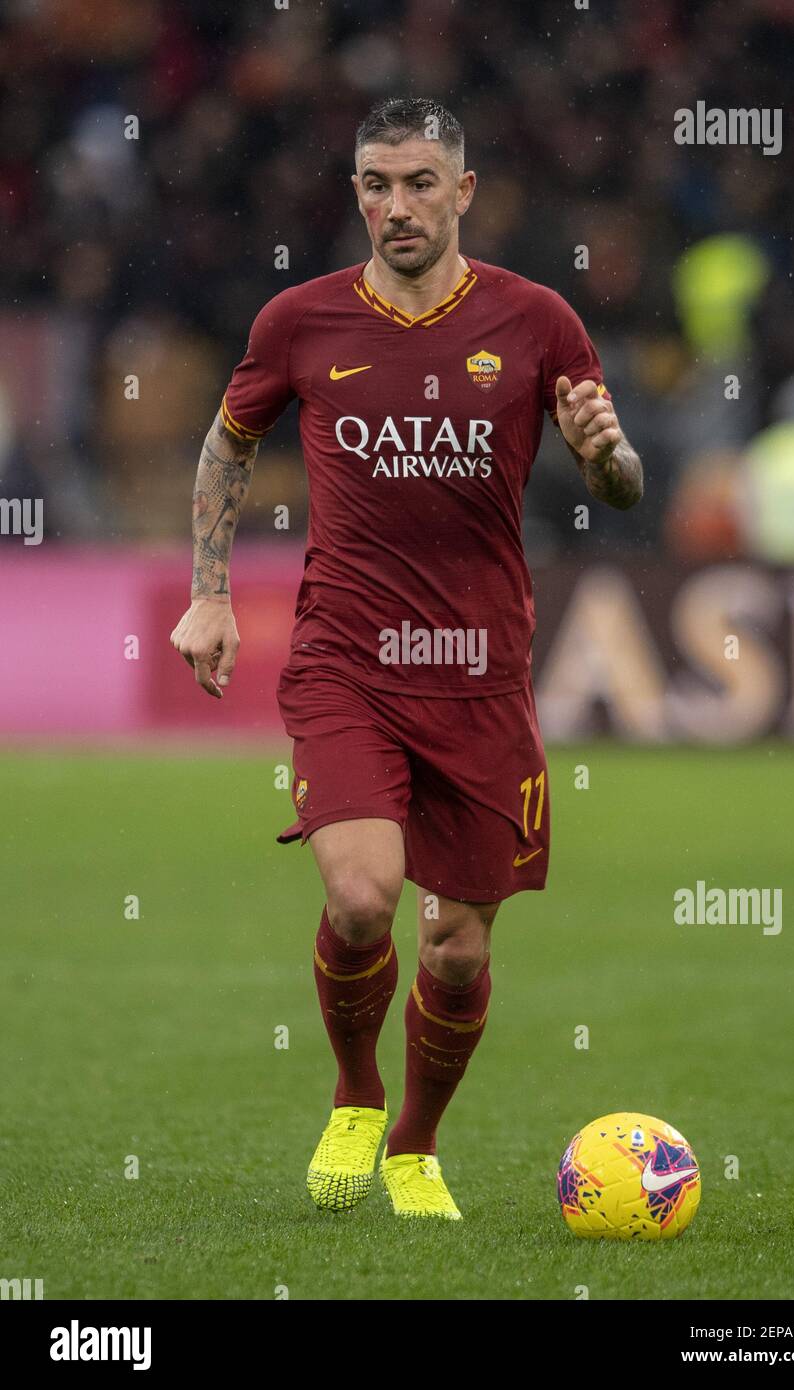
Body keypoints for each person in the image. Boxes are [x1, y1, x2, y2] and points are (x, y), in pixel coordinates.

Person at [170, 97, 642, 1220]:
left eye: (419, 182)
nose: (396, 207)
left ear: (464, 191)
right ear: (355, 195)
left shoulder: (537, 323)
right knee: (359, 898)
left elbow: (620, 482)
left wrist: (605, 458)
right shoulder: (301, 322)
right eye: (375, 185)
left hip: (480, 674)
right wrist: (207, 592)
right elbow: (227, 441)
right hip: (348, 662)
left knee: (460, 949)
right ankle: (354, 1092)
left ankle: (416, 1147)